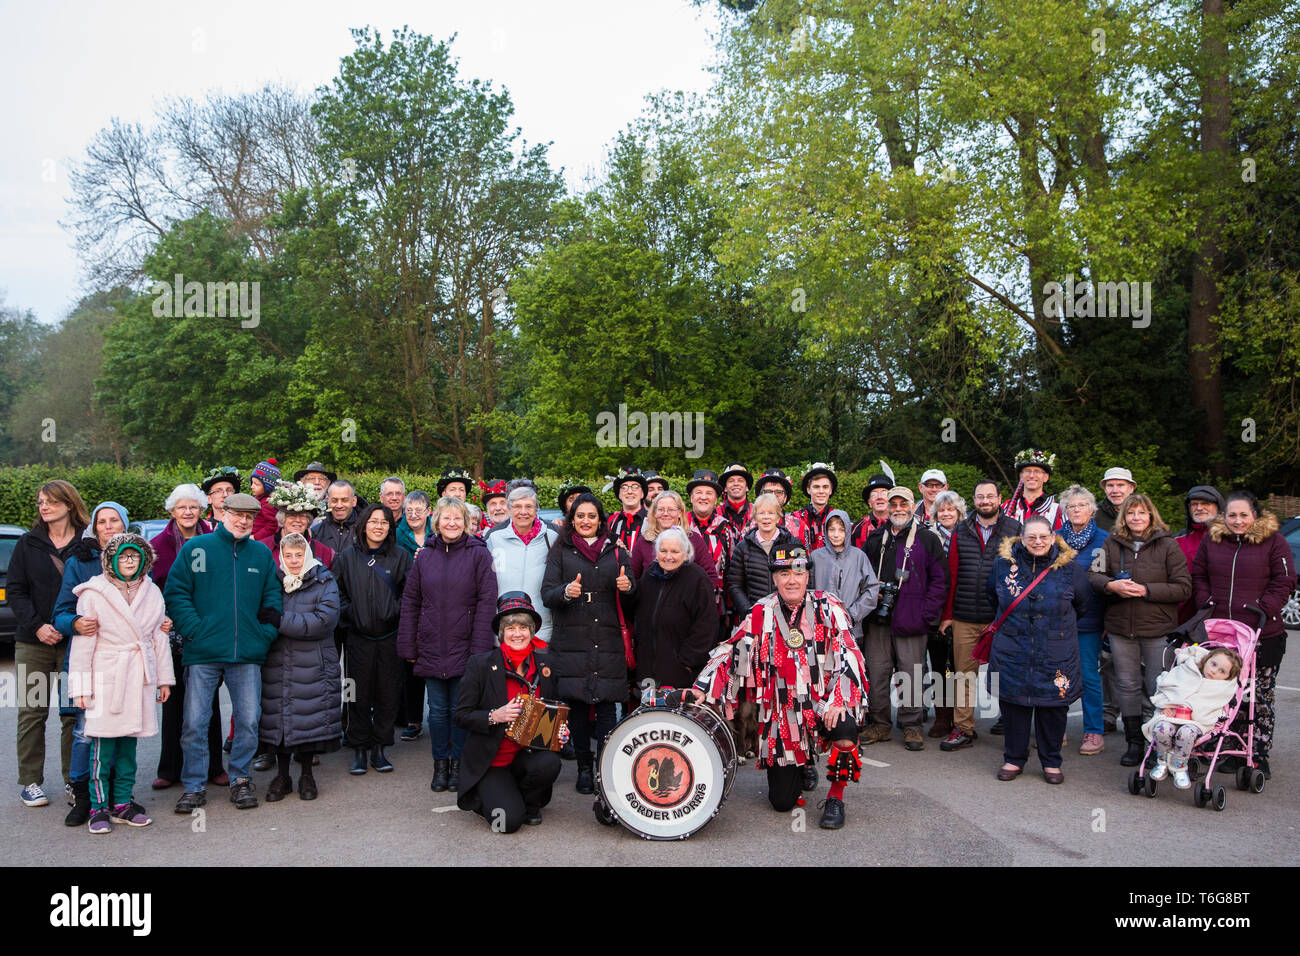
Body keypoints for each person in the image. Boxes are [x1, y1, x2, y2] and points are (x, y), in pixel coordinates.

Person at [691, 546, 867, 829]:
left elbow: (851, 656)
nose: (792, 580)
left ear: (808, 576)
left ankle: (835, 798)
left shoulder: (829, 607)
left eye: (798, 572)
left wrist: (839, 699)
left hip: (823, 704)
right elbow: (731, 651)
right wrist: (703, 685)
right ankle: (803, 763)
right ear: (774, 578)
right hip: (782, 717)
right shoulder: (761, 611)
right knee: (782, 803)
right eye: (784, 573)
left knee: (845, 726)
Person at [164, 492, 283, 813]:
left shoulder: (259, 554)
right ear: (222, 513)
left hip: (247, 653)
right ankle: (193, 785)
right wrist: (195, 630)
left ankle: (241, 778)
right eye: (237, 514)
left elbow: (272, 598)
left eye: (250, 516)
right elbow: (176, 593)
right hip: (203, 652)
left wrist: (264, 634)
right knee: (194, 722)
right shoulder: (196, 549)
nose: (244, 520)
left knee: (248, 720)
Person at [68, 533, 174, 832]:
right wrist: (81, 689)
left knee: (129, 748)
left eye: (135, 556)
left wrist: (163, 679)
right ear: (112, 559)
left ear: (144, 559)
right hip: (107, 676)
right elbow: (83, 645)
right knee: (101, 749)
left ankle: (123, 803)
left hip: (137, 677)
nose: (130, 561)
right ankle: (98, 807)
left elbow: (157, 638)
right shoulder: (93, 593)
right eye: (124, 556)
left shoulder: (151, 592)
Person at [1191, 490, 1297, 778]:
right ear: (1224, 517)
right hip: (1222, 631)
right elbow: (1199, 574)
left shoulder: (1274, 542)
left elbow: (1285, 580)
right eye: (1232, 515)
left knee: (1258, 696)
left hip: (1263, 632)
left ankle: (1257, 753)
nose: (1238, 521)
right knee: (1222, 692)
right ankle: (1227, 747)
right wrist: (1206, 601)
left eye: (1243, 515)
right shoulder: (1212, 541)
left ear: (1255, 515)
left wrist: (1265, 608)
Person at [399, 496, 498, 793]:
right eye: (446, 518)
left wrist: (479, 650)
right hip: (430, 645)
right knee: (438, 711)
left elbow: (487, 602)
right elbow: (411, 601)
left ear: (466, 523)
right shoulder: (425, 556)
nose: (452, 523)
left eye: (458, 518)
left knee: (459, 710)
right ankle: (439, 764)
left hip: (466, 647)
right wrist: (409, 646)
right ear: (437, 522)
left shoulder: (479, 555)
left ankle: (458, 763)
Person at [541, 493, 635, 795]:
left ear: (600, 519)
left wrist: (629, 587)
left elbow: (634, 594)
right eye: (580, 516)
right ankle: (584, 766)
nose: (585, 521)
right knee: (578, 709)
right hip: (573, 638)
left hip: (606, 637)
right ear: (572, 519)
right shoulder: (561, 551)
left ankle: (603, 768)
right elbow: (547, 593)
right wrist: (566, 591)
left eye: (591, 516)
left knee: (607, 707)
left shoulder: (617, 551)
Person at [1089, 494, 1192, 767]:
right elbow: (1094, 574)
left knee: (1158, 686)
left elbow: (1183, 587)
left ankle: (1159, 741)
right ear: (1123, 516)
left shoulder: (1169, 545)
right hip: (1121, 627)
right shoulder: (1109, 543)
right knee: (1127, 685)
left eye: (1141, 513)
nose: (1136, 518)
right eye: (1131, 513)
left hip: (1157, 627)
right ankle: (1134, 742)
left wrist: (1146, 590)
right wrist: (1111, 586)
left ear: (1150, 516)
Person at [986, 515, 1090, 784]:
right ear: (1021, 538)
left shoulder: (1070, 569)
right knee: (1014, 705)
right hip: (1012, 647)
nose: (1038, 542)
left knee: (1053, 708)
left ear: (1053, 537)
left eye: (1043, 536)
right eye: (1031, 537)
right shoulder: (1002, 565)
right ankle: (1013, 758)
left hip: (1056, 650)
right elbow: (991, 597)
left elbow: (1082, 604)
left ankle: (1051, 761)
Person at [453, 593, 567, 832]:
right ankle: (492, 796)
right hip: (494, 760)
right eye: (511, 627)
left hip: (528, 754)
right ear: (501, 633)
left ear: (532, 631)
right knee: (507, 823)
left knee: (550, 762)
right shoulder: (480, 664)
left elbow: (553, 709)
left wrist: (561, 730)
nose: (518, 633)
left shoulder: (545, 665)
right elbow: (461, 715)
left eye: (524, 627)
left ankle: (528, 802)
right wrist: (495, 715)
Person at [9, 479, 89, 808]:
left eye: (51, 502)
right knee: (32, 713)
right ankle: (30, 781)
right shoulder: (28, 544)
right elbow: (15, 590)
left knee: (72, 714)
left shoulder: (88, 542)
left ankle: (75, 780)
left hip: (74, 644)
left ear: (69, 505)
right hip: (34, 642)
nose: (44, 507)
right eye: (41, 502)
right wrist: (38, 626)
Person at [51, 501, 132, 825]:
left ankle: (116, 796)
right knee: (85, 731)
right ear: (94, 528)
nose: (109, 526)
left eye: (115, 520)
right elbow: (61, 612)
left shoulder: (134, 559)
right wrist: (75, 623)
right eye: (103, 522)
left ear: (124, 525)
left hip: (124, 664)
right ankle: (83, 798)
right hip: (89, 659)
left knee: (121, 729)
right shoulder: (79, 562)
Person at [147, 485, 227, 793]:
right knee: (175, 701)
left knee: (209, 702)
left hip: (208, 631)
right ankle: (170, 768)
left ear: (201, 510)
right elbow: (150, 588)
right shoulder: (157, 546)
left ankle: (214, 767)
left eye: (193, 506)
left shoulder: (215, 539)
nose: (188, 512)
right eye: (182, 507)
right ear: (172, 511)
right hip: (172, 632)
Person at [861, 487, 947, 751]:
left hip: (912, 619)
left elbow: (940, 581)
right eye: (893, 504)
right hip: (878, 618)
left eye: (903, 504)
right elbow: (862, 575)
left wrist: (926, 615)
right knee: (877, 672)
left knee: (910, 673)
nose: (898, 508)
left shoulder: (927, 539)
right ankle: (880, 724)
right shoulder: (876, 538)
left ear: (913, 506)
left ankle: (911, 725)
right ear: (887, 507)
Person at [939, 480, 1021, 751]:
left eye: (990, 496)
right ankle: (963, 728)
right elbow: (951, 575)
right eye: (980, 497)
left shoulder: (1014, 529)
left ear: (1000, 498)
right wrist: (947, 615)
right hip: (965, 614)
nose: (985, 501)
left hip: (1001, 616)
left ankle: (1014, 727)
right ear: (973, 500)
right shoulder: (961, 530)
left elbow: (1021, 574)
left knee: (1008, 674)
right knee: (964, 675)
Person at [259, 533, 342, 801]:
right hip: (278, 661)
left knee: (309, 721)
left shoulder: (323, 580)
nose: (294, 560)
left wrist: (281, 620)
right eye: (288, 555)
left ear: (306, 554)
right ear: (281, 556)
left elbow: (323, 621)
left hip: (313, 663)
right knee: (280, 721)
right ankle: (282, 776)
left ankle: (307, 774)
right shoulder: (273, 581)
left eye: (298, 554)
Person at [333, 504, 413, 774]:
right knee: (355, 693)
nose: (378, 526)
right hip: (357, 637)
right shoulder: (346, 557)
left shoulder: (401, 557)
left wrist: (394, 612)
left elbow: (410, 593)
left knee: (387, 694)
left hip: (390, 637)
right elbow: (337, 592)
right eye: (373, 521)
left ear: (390, 527)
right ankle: (358, 748)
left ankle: (379, 748)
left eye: (384, 522)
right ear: (363, 524)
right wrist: (351, 613)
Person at [1056, 485, 1109, 756]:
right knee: (1058, 675)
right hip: (1058, 619)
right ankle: (1056, 727)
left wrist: (1106, 621)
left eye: (1081, 506)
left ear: (1092, 509)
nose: (1076, 510)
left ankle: (1093, 732)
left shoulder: (1104, 539)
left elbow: (1107, 581)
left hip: (1090, 618)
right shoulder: (1054, 538)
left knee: (1088, 675)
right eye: (1071, 506)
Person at [629, 528, 717, 691]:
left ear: (685, 553)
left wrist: (686, 662)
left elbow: (706, 626)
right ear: (656, 553)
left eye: (674, 551)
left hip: (681, 673)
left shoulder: (697, 579)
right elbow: (634, 609)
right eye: (663, 551)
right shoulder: (649, 575)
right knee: (648, 716)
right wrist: (625, 590)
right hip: (648, 672)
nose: (668, 556)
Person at [1143, 646, 1242, 788]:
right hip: (1172, 714)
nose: (1214, 671)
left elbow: (1211, 705)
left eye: (1222, 671)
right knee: (1161, 729)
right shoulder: (1186, 671)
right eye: (1213, 664)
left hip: (1196, 722)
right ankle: (1162, 762)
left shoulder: (1221, 687)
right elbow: (1167, 686)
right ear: (1206, 660)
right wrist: (1166, 705)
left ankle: (1179, 767)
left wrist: (1193, 709)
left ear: (1228, 677)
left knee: (1186, 733)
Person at [486, 486, 559, 644]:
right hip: (504, 630)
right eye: (517, 506)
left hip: (542, 631)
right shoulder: (494, 538)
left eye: (529, 506)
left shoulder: (553, 538)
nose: (523, 512)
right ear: (509, 509)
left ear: (536, 509)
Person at [809, 510, 880, 649]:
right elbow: (808, 589)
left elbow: (871, 589)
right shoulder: (815, 557)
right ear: (826, 531)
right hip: (821, 628)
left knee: (850, 667)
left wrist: (852, 614)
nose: (836, 535)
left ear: (848, 531)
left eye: (841, 530)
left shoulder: (858, 556)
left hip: (851, 628)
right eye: (831, 530)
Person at [393, 490, 432, 741]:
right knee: (412, 666)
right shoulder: (397, 536)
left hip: (437, 607)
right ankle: (413, 719)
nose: (414, 515)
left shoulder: (437, 532)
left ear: (429, 511)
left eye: (419, 510)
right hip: (409, 607)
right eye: (410, 511)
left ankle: (441, 718)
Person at [726, 493, 801, 622]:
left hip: (788, 615)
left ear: (778, 517)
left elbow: (806, 579)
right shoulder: (743, 547)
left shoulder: (793, 545)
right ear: (755, 517)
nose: (766, 517)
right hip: (755, 615)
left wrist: (797, 609)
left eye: (771, 513)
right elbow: (734, 584)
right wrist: (749, 611)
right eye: (761, 513)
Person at [629, 491, 719, 587]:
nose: (665, 514)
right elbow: (632, 577)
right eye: (661, 509)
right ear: (654, 513)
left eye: (671, 509)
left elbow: (711, 576)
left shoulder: (693, 540)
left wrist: (692, 598)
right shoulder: (644, 541)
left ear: (680, 513)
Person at [685, 469, 735, 638]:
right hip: (682, 603)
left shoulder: (726, 528)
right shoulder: (679, 526)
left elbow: (731, 571)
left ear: (716, 499)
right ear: (691, 497)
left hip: (716, 605)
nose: (703, 497)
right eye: (698, 492)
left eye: (709, 493)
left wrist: (729, 609)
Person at [1174, 485, 1225, 622]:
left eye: (1205, 503)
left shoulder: (1231, 537)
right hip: (1184, 617)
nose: (1199, 508)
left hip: (1221, 615)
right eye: (1194, 504)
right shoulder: (1177, 540)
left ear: (1218, 507)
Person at [267, 481, 335, 569]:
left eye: (303, 516)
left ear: (308, 521)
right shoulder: (265, 548)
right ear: (282, 519)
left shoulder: (325, 553)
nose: (298, 520)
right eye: (292, 515)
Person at [1002, 449, 1063, 530]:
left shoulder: (1057, 510)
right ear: (1021, 476)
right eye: (1027, 471)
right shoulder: (1006, 507)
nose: (1031, 475)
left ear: (1046, 477)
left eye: (1037, 471)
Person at [790, 462, 836, 552]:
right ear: (808, 489)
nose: (821, 491)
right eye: (816, 487)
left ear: (830, 490)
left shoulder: (838, 517)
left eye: (825, 487)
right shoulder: (795, 518)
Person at [311, 479, 363, 555]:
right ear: (328, 502)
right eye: (334, 501)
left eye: (344, 500)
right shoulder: (316, 532)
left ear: (354, 501)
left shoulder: (365, 530)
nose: (339, 505)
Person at [607, 467, 648, 551]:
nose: (629, 491)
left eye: (635, 486)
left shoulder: (654, 520)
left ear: (642, 494)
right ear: (619, 494)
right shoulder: (610, 522)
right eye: (624, 487)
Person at [851, 473, 894, 549]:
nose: (879, 497)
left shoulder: (901, 524)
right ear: (869, 503)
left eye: (884, 493)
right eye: (874, 494)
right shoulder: (857, 529)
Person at [248, 457, 284, 544]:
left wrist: (255, 537)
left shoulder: (267, 503)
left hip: (260, 541)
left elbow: (272, 525)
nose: (252, 486)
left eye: (256, 484)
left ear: (267, 487)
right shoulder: (259, 499)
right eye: (252, 483)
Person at [1095, 466, 1136, 533]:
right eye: (1110, 486)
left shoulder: (1144, 514)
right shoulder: (1094, 515)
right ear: (1105, 489)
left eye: (1120, 485)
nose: (1115, 491)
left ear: (1131, 488)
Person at [718, 462, 754, 536]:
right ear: (725, 488)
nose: (736, 484)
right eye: (731, 481)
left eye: (740, 480)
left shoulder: (758, 512)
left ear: (747, 487)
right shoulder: (716, 513)